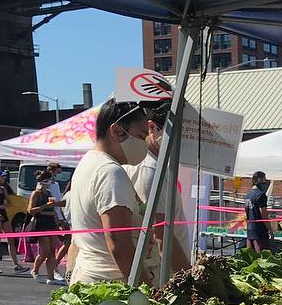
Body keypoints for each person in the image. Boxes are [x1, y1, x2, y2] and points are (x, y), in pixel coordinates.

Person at [66, 98, 150, 284]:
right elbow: (119, 244)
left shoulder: (87, 162)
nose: (146, 142)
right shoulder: (110, 172)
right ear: (117, 131)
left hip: (88, 276)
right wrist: (150, 293)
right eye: (142, 135)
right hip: (108, 285)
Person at [123, 104, 190, 282]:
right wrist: (191, 278)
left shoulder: (150, 165)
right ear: (152, 127)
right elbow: (161, 236)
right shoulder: (151, 171)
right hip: (164, 274)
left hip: (162, 270)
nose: (180, 141)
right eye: (176, 134)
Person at [0, 170, 24, 274]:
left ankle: (16, 265)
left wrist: (1, 206)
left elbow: (9, 203)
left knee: (11, 239)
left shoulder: (3, 189)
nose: (3, 178)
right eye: (2, 177)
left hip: (4, 214)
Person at [26, 177, 62, 285]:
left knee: (52, 251)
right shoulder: (36, 193)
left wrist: (58, 221)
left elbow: (54, 210)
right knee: (45, 251)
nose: (49, 183)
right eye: (47, 181)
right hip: (41, 223)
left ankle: (50, 277)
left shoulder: (49, 193)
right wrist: (45, 206)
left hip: (51, 223)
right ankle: (35, 270)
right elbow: (30, 210)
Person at [243, 171, 276, 254]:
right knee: (262, 257)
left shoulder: (248, 195)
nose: (265, 183)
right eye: (264, 180)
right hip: (260, 231)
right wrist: (270, 230)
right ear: (258, 180)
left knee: (250, 256)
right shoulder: (261, 195)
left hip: (250, 229)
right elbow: (264, 214)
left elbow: (246, 212)